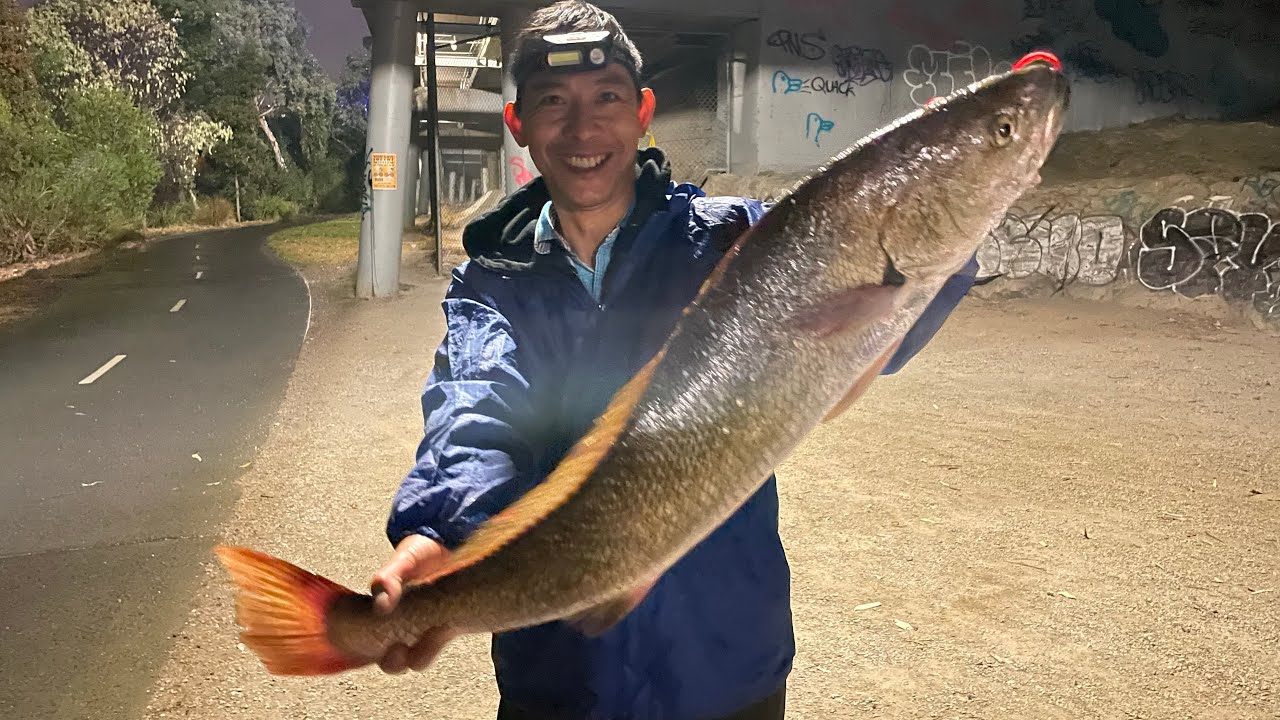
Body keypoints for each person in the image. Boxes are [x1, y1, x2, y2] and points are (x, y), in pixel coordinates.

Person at [369, 2, 978, 718]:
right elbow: (476, 407)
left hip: (723, 669)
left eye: (607, 99)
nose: (583, 127)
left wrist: (957, 190)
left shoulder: (735, 243)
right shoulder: (494, 284)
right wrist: (438, 529)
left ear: (643, 112)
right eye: (553, 103)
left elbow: (868, 321)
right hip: (563, 680)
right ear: (519, 126)